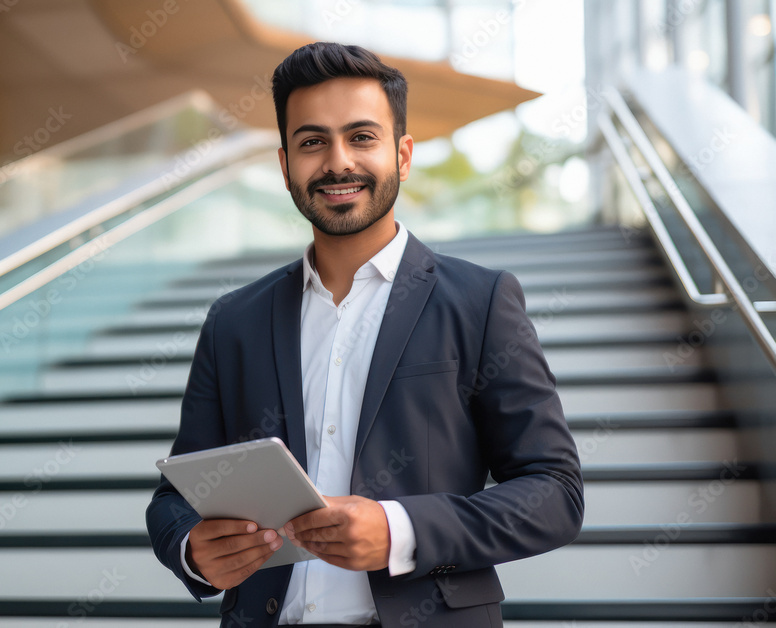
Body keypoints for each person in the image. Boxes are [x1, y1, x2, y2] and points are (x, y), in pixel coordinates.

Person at [147, 41, 584, 628]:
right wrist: (193, 550)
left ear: (402, 155)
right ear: (284, 165)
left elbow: (554, 493)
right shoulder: (234, 321)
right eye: (312, 142)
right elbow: (177, 496)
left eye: (361, 137)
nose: (337, 162)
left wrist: (398, 530)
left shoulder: (480, 302)